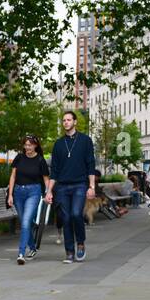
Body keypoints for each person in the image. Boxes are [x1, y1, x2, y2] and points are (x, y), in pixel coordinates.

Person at [46, 111, 97, 263]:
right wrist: (49, 191)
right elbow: (54, 170)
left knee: (75, 214)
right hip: (62, 187)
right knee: (66, 218)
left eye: (69, 120)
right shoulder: (58, 144)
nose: (66, 122)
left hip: (80, 185)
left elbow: (91, 164)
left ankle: (80, 243)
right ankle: (69, 252)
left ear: (75, 122)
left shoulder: (85, 141)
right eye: (64, 120)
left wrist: (91, 186)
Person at [8, 134, 49, 264]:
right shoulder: (19, 158)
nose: (27, 147)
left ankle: (21, 253)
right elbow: (13, 176)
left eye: (30, 145)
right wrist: (10, 194)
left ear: (35, 145)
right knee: (25, 222)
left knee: (25, 222)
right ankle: (32, 247)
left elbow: (46, 179)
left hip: (34, 192)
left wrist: (49, 193)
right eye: (25, 145)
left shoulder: (40, 160)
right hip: (18, 192)